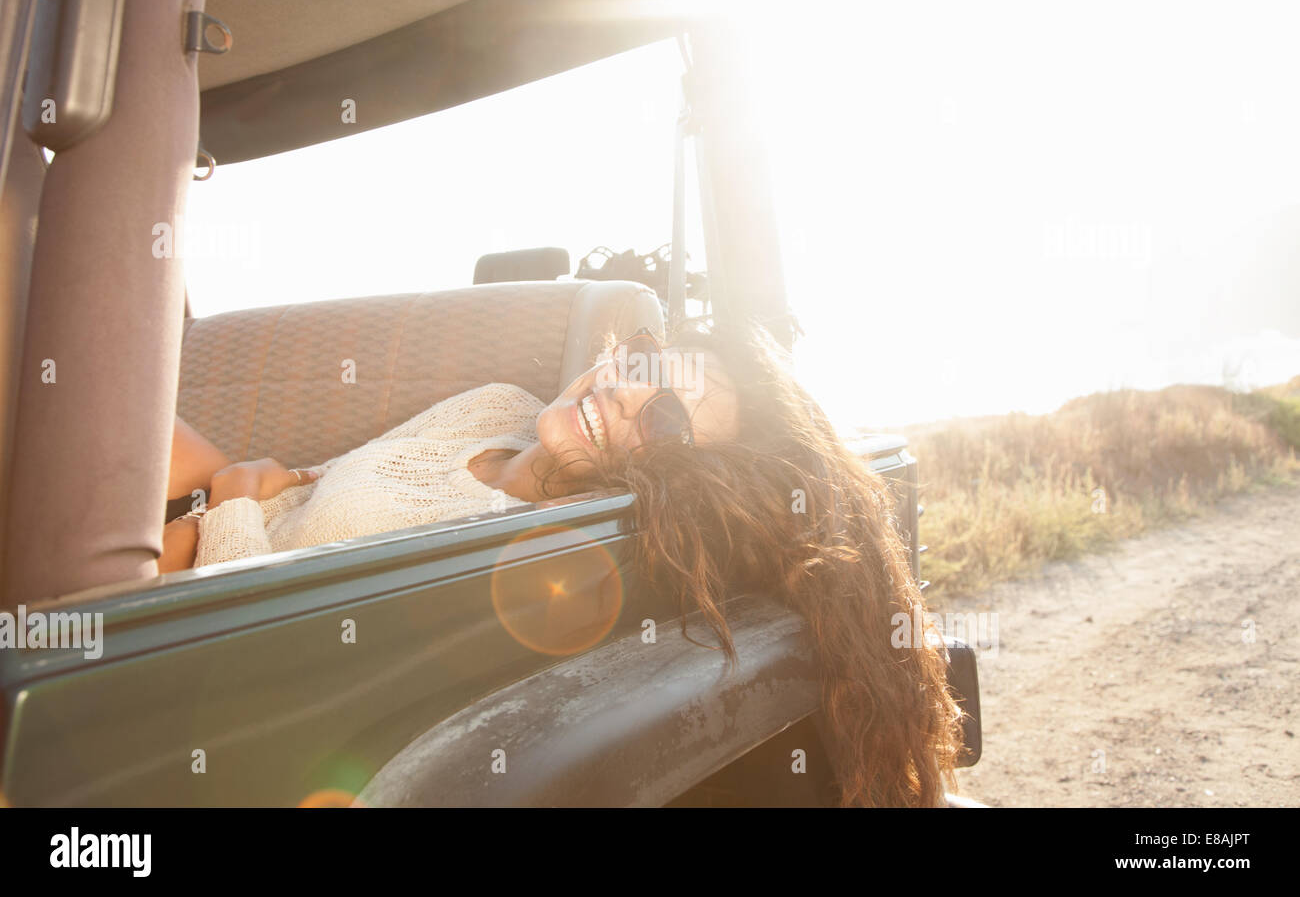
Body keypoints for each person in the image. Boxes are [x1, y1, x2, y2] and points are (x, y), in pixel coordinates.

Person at [161, 323, 962, 806]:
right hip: (216, 512)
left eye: (669, 421)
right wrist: (267, 481)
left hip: (186, 592)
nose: (623, 392)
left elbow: (246, 644)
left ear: (689, 479)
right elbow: (342, 470)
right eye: (647, 364)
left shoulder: (514, 553)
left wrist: (232, 500)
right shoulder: (498, 406)